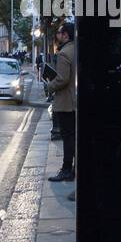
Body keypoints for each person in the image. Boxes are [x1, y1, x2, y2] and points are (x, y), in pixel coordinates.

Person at [47, 21, 76, 183]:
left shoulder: (64, 53)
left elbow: (63, 79)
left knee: (67, 137)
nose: (57, 35)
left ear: (65, 35)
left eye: (59, 33)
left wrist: (50, 86)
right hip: (75, 102)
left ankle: (66, 170)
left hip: (66, 103)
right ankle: (72, 168)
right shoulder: (76, 50)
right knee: (73, 137)